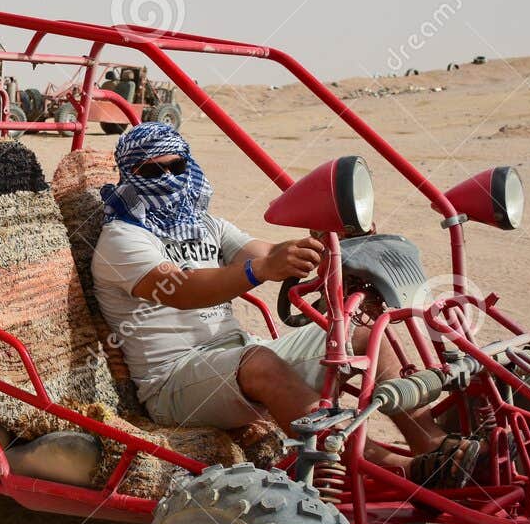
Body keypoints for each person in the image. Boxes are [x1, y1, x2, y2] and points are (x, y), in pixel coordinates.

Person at [91, 122, 479, 486]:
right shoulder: (122, 238)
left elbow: (266, 251)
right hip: (173, 381)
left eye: (176, 166)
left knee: (362, 333)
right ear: (130, 177)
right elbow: (179, 289)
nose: (169, 180)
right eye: (152, 173)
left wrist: (320, 251)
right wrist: (259, 270)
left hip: (234, 356)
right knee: (259, 362)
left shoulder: (205, 225)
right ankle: (394, 470)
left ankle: (430, 444)